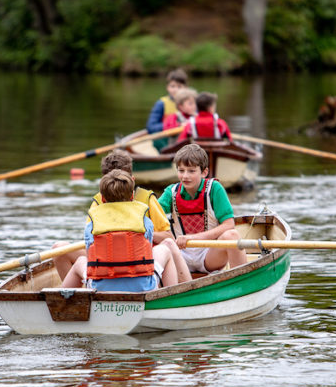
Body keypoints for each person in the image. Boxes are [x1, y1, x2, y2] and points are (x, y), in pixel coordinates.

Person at [54, 150, 191, 284]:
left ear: (132, 180)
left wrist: (137, 234)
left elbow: (168, 237)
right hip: (108, 261)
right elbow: (90, 243)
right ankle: (80, 296)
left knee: (168, 245)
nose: (116, 187)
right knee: (59, 248)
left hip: (140, 259)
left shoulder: (145, 199)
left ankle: (185, 290)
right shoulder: (97, 203)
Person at [157, 143, 247, 274]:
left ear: (204, 172)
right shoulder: (171, 192)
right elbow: (150, 214)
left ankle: (240, 283)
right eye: (181, 170)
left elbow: (229, 225)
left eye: (191, 171)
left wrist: (193, 238)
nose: (185, 176)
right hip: (180, 257)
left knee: (232, 236)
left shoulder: (215, 189)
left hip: (210, 255)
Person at [146, 68, 188, 151]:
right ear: (167, 87)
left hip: (185, 138)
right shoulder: (161, 103)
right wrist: (174, 125)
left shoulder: (191, 103)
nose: (176, 90)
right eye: (172, 86)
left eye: (179, 86)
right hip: (166, 139)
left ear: (186, 88)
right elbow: (151, 127)